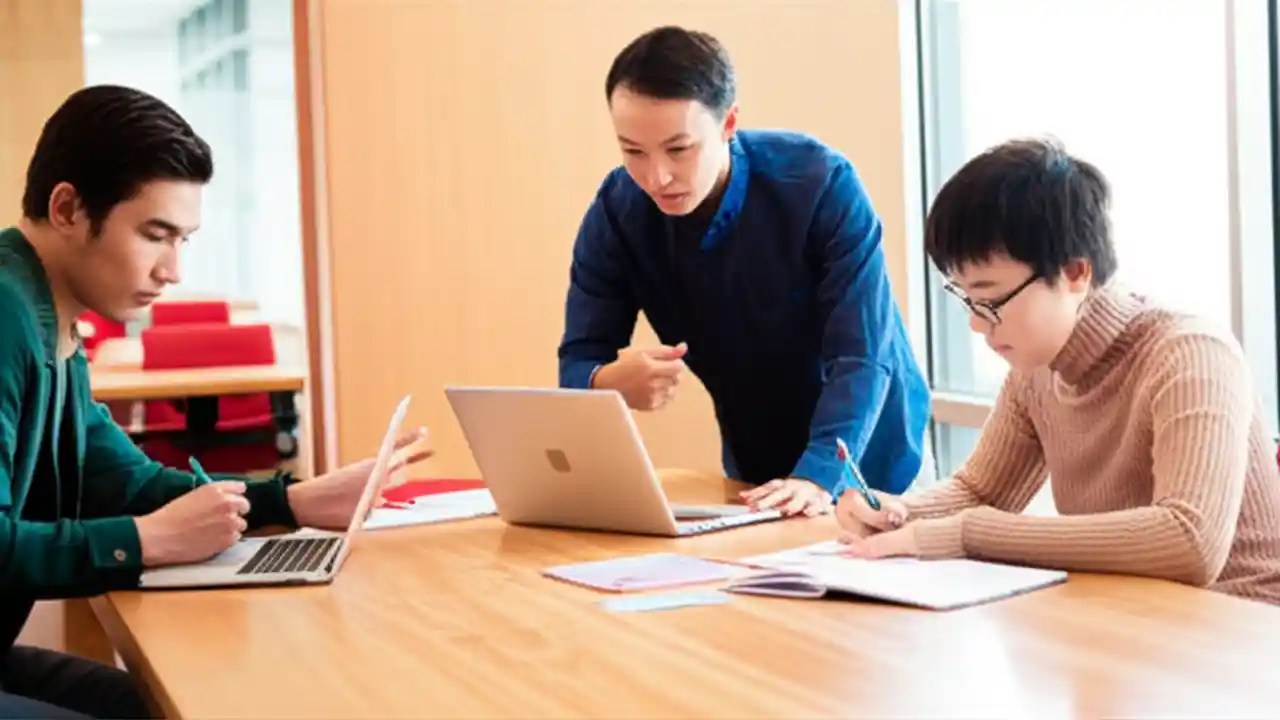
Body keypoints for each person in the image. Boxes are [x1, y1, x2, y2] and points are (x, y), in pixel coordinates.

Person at [0, 85, 429, 718]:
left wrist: (288, 500)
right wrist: (144, 542)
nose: (172, 269)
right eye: (155, 235)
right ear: (67, 207)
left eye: (184, 241)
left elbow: (125, 481)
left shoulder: (52, 317)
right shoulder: (7, 313)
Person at [836, 138, 1280, 604]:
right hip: (1134, 622)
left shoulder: (1190, 354)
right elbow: (982, 490)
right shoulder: (1037, 369)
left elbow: (1190, 540)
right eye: (966, 299)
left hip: (1240, 630)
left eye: (991, 299)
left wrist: (967, 533)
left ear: (1075, 273)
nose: (975, 322)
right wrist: (899, 513)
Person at [557, 26, 930, 516]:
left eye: (679, 149)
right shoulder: (617, 210)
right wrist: (605, 383)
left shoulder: (821, 185)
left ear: (728, 122)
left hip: (875, 461)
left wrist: (819, 476)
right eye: (633, 151)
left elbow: (862, 354)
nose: (656, 177)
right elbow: (579, 360)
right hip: (754, 472)